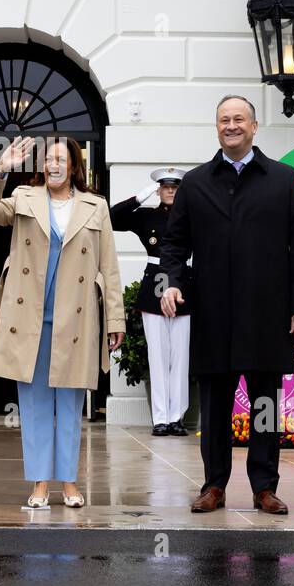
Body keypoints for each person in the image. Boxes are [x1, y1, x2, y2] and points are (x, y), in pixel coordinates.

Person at [159, 96, 294, 516]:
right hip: (214, 315)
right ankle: (213, 486)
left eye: (239, 119)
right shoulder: (195, 183)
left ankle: (265, 487)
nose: (231, 126)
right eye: (224, 120)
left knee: (264, 406)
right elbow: (174, 244)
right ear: (216, 128)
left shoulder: (283, 179)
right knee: (214, 408)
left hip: (267, 315)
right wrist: (171, 282)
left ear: (254, 126)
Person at [0, 135, 125, 508]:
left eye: (61, 159)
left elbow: (109, 268)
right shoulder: (25, 198)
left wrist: (114, 320)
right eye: (48, 159)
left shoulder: (96, 206)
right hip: (31, 319)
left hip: (76, 321)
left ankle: (70, 483)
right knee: (35, 406)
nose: (54, 165)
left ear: (74, 166)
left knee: (71, 407)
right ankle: (41, 484)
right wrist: (0, 170)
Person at [110, 167, 192, 436]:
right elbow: (111, 218)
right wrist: (141, 196)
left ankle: (177, 417)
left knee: (180, 356)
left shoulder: (191, 216)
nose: (170, 191)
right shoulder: (147, 216)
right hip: (154, 285)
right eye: (165, 186)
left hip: (182, 283)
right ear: (158, 189)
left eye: (175, 187)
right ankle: (160, 418)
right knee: (157, 355)